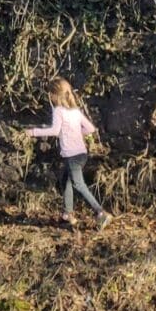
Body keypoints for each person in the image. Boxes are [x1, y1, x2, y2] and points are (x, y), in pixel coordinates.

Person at [25, 77, 109, 228]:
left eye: (50, 94)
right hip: (82, 154)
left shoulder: (59, 111)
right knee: (65, 180)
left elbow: (55, 131)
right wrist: (76, 134)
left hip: (71, 156)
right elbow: (90, 129)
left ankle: (101, 213)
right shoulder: (75, 111)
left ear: (55, 95)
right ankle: (67, 214)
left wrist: (33, 132)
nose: (50, 97)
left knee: (78, 184)